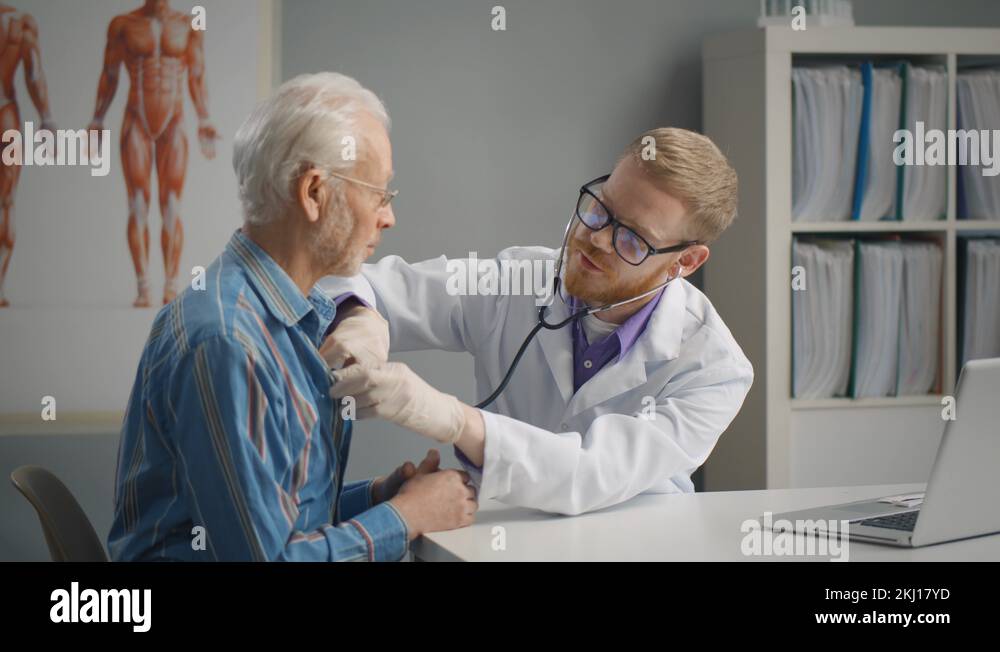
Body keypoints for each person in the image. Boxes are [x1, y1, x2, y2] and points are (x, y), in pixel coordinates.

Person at [108, 72, 476, 562]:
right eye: (379, 194)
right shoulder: (228, 341)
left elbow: (276, 518)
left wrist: (381, 499)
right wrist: (406, 517)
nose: (388, 217)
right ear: (314, 193)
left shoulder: (275, 317)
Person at [323, 127, 754, 516]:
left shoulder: (714, 368)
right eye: (601, 210)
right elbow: (359, 283)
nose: (597, 239)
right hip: (499, 538)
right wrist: (359, 314)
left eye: (632, 239)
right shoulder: (515, 280)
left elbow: (593, 472)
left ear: (686, 261)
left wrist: (452, 419)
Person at [88, 0, 218, 307]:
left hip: (173, 120)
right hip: (136, 119)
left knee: (171, 204)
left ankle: (171, 284)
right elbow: (109, 74)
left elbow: (196, 74)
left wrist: (204, 118)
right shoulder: (123, 24)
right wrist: (97, 118)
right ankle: (144, 285)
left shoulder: (188, 24)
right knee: (137, 204)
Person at [0, 3, 54, 307]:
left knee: (7, 202)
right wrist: (46, 118)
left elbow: (34, 73)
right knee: (5, 203)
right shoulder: (19, 23)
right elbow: (34, 74)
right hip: (5, 113)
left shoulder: (23, 23)